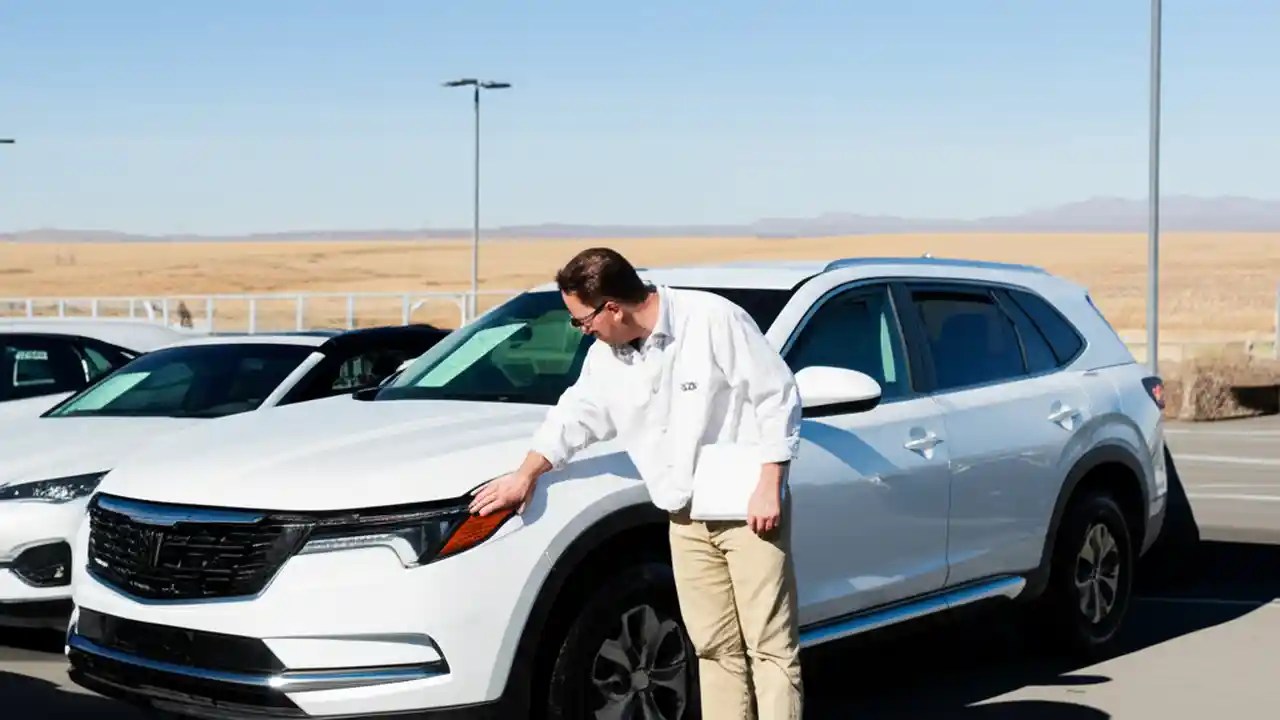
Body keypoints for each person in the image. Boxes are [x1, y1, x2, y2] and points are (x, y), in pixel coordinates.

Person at [469, 247, 804, 719]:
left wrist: (770, 483)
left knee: (769, 647)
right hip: (683, 515)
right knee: (713, 648)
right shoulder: (607, 357)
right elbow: (575, 415)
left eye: (581, 320)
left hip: (746, 510)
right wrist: (525, 475)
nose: (582, 330)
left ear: (612, 308)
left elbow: (776, 396)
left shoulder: (712, 320)